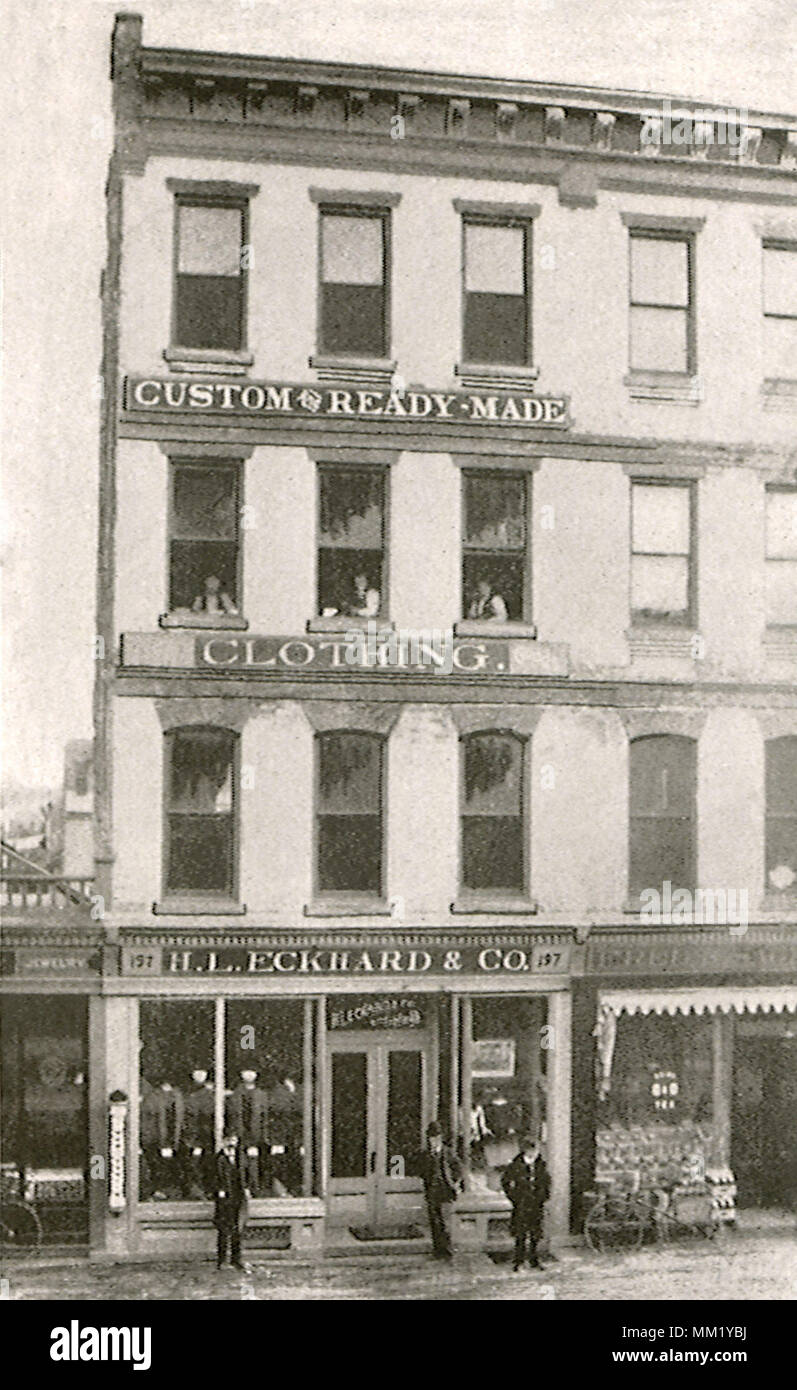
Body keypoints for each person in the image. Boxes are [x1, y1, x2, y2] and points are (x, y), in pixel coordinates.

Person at [501, 1133, 551, 1271]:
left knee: (535, 1233)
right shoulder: (516, 1165)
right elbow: (505, 1181)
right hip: (521, 1203)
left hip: (536, 1203)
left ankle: (534, 1260)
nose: (534, 1153)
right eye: (531, 1150)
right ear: (525, 1150)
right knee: (520, 1233)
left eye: (536, 1150)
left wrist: (544, 1196)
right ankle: (519, 1261)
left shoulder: (541, 1165)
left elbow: (547, 1182)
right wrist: (513, 1197)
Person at [419, 1121, 463, 1260]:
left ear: (441, 1138)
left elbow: (459, 1168)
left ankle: (447, 1250)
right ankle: (437, 1249)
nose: (434, 1141)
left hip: (445, 1191)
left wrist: (455, 1182)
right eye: (431, 1138)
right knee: (435, 1221)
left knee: (445, 1221)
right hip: (432, 1191)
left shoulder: (448, 1153)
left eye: (436, 1138)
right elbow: (423, 1171)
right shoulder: (426, 1154)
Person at [213, 1132, 250, 1271]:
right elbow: (210, 1176)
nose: (232, 1143)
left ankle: (236, 1259)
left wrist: (246, 1188)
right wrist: (219, 1190)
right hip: (224, 1198)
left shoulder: (241, 1157)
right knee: (223, 1228)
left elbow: (247, 1174)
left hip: (238, 1196)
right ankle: (221, 1260)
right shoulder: (217, 1159)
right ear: (223, 1141)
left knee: (238, 1228)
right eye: (228, 1140)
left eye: (234, 1140)